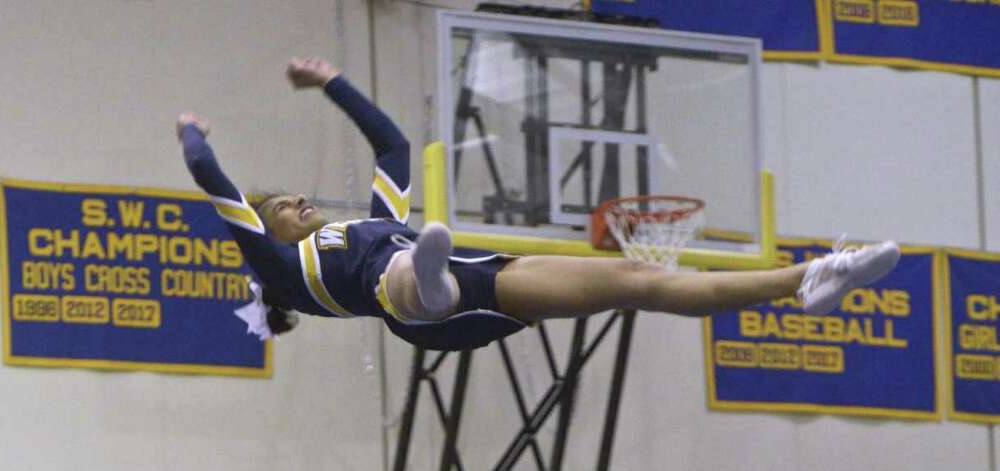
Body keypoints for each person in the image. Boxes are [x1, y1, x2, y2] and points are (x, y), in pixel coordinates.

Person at [176, 56, 899, 356]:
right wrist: (191, 135)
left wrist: (333, 80)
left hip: (482, 285)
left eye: (295, 197)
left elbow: (393, 148)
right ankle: (430, 281)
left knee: (643, 284)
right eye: (282, 206)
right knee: (404, 278)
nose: (299, 201)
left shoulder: (374, 221)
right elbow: (216, 186)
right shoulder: (279, 270)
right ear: (266, 231)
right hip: (412, 312)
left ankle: (808, 276)